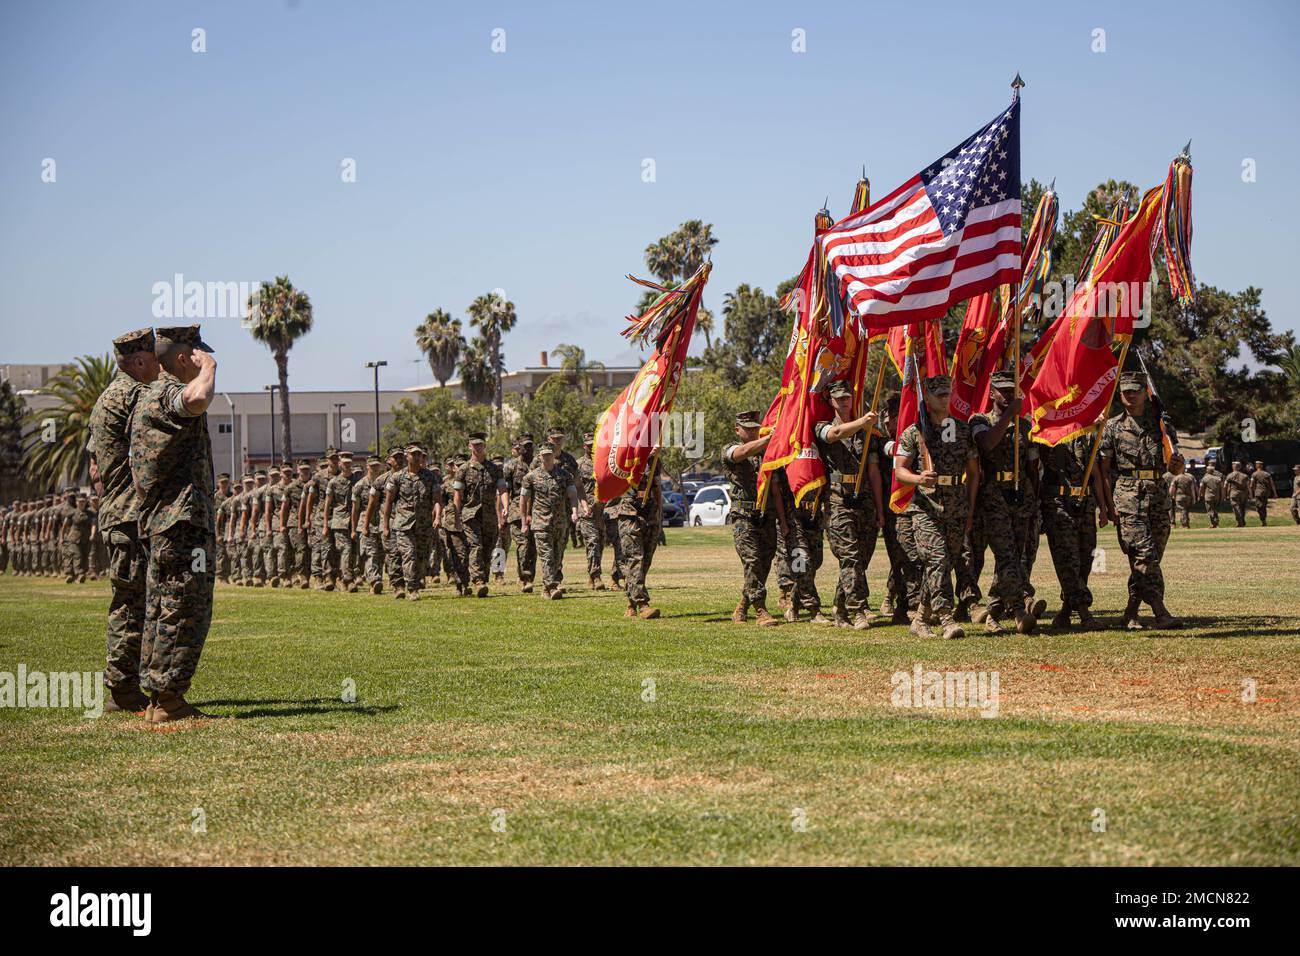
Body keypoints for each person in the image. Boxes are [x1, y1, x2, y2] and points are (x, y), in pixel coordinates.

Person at [130, 324, 219, 722]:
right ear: (184, 358)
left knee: (165, 606)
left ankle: (160, 698)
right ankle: (168, 700)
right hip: (180, 524)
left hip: (169, 524)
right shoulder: (165, 393)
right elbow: (199, 398)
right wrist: (210, 369)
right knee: (184, 607)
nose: (202, 359)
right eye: (197, 354)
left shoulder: (151, 395)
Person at [87, 327, 159, 713]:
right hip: (131, 516)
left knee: (128, 599)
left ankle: (123, 683)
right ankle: (123, 688)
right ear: (138, 360)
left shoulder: (104, 400)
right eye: (151, 359)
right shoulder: (134, 395)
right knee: (133, 602)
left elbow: (95, 467)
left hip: (117, 513)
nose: (156, 366)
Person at [893, 374, 979, 641]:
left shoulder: (962, 430)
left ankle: (919, 619)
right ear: (926, 398)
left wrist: (970, 508)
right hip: (926, 508)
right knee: (937, 560)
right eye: (938, 393)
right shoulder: (915, 432)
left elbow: (974, 473)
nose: (944, 397)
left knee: (944, 564)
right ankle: (946, 619)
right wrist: (919, 478)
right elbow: (899, 471)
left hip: (956, 505)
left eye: (946, 392)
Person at [1097, 370, 1179, 630]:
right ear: (1120, 395)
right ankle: (1160, 611)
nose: (1131, 394)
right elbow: (1104, 469)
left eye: (1136, 390)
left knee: (1150, 558)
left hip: (1158, 496)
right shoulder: (1113, 426)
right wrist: (1109, 506)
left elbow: (1175, 467)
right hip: (1128, 496)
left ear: (1146, 393)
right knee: (1143, 555)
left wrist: (1177, 465)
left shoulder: (1162, 425)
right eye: (1126, 391)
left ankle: (1130, 611)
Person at [969, 371, 1042, 634]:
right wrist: (1010, 415)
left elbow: (1032, 466)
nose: (1009, 395)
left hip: (1021, 494)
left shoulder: (1025, 426)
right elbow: (987, 445)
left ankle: (993, 612)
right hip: (994, 495)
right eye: (1003, 390)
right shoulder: (979, 421)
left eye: (1013, 390)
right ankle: (1021, 607)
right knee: (1006, 553)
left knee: (1015, 556)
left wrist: (1036, 500)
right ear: (992, 393)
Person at [813, 382, 883, 630]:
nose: (844, 402)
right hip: (837, 501)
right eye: (839, 399)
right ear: (831, 401)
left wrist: (880, 509)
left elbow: (874, 472)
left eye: (847, 398)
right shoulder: (823, 427)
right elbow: (835, 435)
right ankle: (859, 610)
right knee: (850, 556)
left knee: (859, 560)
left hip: (864, 501)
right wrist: (863, 422)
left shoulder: (868, 433)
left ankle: (839, 608)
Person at [1038, 426, 1107, 630]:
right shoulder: (1045, 429)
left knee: (1086, 558)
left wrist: (1103, 508)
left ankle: (1065, 612)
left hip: (1084, 501)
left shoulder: (1087, 432)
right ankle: (1085, 614)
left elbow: (1093, 470)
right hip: (1057, 501)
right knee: (1067, 558)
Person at [721, 411, 780, 627]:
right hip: (743, 517)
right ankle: (761, 610)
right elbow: (741, 453)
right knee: (752, 561)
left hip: (765, 515)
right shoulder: (730, 449)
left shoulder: (766, 453)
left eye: (756, 427)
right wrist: (768, 440)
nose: (753, 431)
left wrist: (782, 520)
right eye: (748, 428)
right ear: (738, 430)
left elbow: (774, 487)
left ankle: (742, 607)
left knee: (763, 564)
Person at [520, 442, 579, 599]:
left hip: (560, 522)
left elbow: (573, 495)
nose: (546, 458)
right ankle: (552, 587)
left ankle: (546, 589)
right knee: (547, 555)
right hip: (541, 522)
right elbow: (524, 499)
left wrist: (574, 511)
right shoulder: (530, 477)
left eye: (549, 455)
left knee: (557, 556)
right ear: (539, 457)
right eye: (544, 455)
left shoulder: (565, 475)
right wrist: (524, 521)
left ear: (554, 456)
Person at [452, 432, 507, 598]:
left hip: (489, 515)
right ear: (469, 446)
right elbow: (458, 495)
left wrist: (505, 506)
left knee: (489, 548)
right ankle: (478, 581)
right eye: (474, 444)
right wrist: (457, 516)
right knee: (476, 546)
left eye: (480, 444)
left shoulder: (495, 469)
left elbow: (503, 490)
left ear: (485, 445)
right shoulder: (462, 470)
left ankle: (483, 576)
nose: (477, 447)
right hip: (470, 515)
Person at [383, 443, 439, 600]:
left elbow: (437, 500)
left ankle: (416, 579)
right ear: (407, 457)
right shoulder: (397, 477)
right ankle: (412, 589)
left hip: (424, 525)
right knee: (409, 554)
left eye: (418, 454)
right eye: (413, 454)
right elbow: (388, 503)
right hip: (403, 525)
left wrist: (438, 517)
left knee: (422, 557)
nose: (416, 457)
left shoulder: (430, 477)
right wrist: (386, 525)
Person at [613, 458, 663, 619]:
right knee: (635, 559)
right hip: (629, 515)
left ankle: (630, 601)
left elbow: (657, 489)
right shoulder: (624, 456)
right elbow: (618, 485)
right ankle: (643, 604)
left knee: (645, 562)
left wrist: (659, 515)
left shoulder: (654, 460)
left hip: (650, 515)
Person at [575, 431, 610, 591]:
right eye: (589, 446)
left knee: (601, 542)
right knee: (593, 541)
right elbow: (575, 488)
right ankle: (596, 576)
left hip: (602, 508)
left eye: (593, 445)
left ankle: (591, 574)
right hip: (586, 509)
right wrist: (580, 507)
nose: (591, 448)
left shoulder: (603, 462)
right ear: (584, 446)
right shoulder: (579, 465)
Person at [502, 433, 537, 592]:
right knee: (522, 543)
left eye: (530, 446)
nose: (527, 449)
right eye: (525, 446)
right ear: (519, 448)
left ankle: (530, 575)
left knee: (533, 545)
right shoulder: (511, 466)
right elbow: (505, 491)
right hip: (517, 508)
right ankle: (525, 578)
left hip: (538, 509)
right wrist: (504, 509)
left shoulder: (538, 464)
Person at [324, 451, 357, 592]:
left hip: (355, 521)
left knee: (354, 553)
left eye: (349, 462)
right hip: (340, 521)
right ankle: (347, 579)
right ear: (339, 464)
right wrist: (326, 524)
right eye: (344, 463)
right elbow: (327, 505)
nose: (347, 465)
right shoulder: (333, 482)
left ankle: (343, 577)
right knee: (346, 549)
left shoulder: (357, 480)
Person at [355, 456, 387, 594]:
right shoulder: (359, 486)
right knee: (370, 553)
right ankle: (375, 580)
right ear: (367, 466)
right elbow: (355, 509)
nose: (374, 468)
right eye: (372, 466)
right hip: (365, 523)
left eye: (377, 466)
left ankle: (374, 582)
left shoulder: (384, 483)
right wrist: (355, 528)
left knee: (380, 555)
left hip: (380, 522)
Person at [1168, 455, 1197, 529]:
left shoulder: (1176, 478)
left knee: (1182, 510)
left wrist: (1171, 496)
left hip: (1179, 497)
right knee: (1186, 510)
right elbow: (1193, 489)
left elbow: (1172, 488)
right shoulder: (1189, 477)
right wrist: (1194, 498)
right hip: (1188, 497)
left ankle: (1184, 525)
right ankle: (1187, 523)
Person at [1248, 460, 1277, 526]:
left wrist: (1251, 493)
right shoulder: (1267, 474)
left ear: (1256, 466)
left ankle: (1263, 520)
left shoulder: (1254, 474)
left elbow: (1251, 485)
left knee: (1258, 507)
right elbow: (1272, 484)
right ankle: (1264, 520)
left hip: (1258, 492)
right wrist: (1275, 493)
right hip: (1266, 492)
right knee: (1264, 506)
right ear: (1262, 466)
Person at [1199, 461, 1225, 528]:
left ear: (1207, 471)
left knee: (1210, 510)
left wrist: (1201, 494)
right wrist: (1222, 496)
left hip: (1208, 496)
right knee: (1215, 510)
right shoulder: (1218, 478)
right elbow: (1222, 488)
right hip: (1217, 496)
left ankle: (1214, 523)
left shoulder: (1205, 478)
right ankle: (1216, 524)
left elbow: (1201, 487)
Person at [1225, 461, 1250, 527]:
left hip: (1234, 493)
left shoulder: (1230, 475)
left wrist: (1226, 494)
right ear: (1240, 467)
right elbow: (1248, 486)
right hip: (1243, 494)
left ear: (1233, 467)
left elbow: (1225, 485)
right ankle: (1242, 520)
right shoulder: (1245, 476)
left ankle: (1240, 521)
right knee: (1242, 508)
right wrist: (1250, 494)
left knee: (1236, 507)